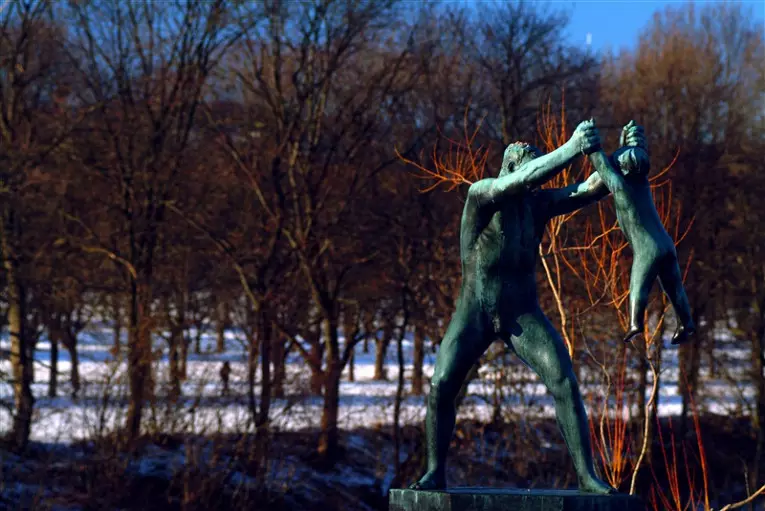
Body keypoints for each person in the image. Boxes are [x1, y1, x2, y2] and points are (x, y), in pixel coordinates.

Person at [410, 119, 645, 494]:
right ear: (510, 170)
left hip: (521, 315)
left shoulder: (536, 206)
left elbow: (589, 188)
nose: (536, 183)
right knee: (440, 384)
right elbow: (517, 182)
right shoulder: (482, 195)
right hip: (475, 315)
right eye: (530, 173)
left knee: (564, 380)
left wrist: (627, 158)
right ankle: (434, 471)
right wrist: (571, 148)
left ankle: (587, 476)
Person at [588, 120, 696, 345]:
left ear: (624, 169)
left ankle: (635, 323)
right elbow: (633, 155)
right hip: (666, 243)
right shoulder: (642, 181)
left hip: (648, 247)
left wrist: (591, 146)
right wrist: (628, 139)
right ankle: (686, 322)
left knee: (638, 283)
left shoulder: (620, 187)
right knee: (673, 286)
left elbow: (604, 167)